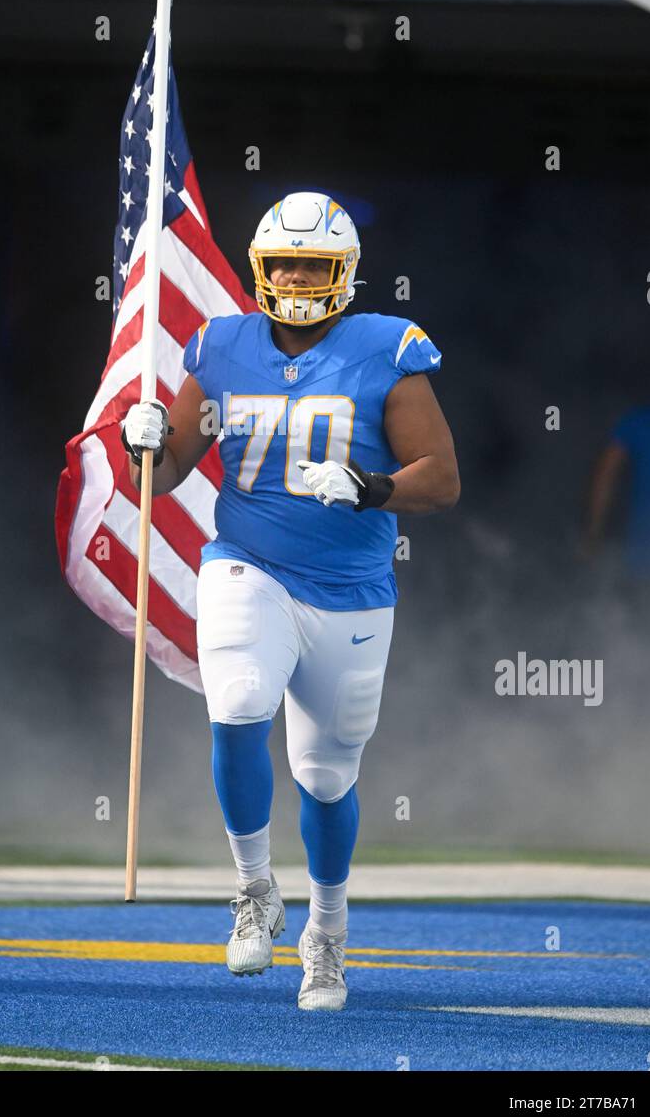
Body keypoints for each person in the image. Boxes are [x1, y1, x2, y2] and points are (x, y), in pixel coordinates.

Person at [121, 191, 460, 1010]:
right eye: (285, 264)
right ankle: (252, 888)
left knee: (327, 775)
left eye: (314, 263)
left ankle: (327, 934)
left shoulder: (388, 350)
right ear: (260, 270)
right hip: (248, 564)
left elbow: (441, 480)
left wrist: (367, 484)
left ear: (344, 271)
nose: (299, 277)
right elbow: (166, 474)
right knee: (236, 703)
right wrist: (146, 445)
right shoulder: (223, 346)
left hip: (350, 591)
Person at [581, 329, 650, 621]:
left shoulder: (639, 422)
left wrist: (593, 535)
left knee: (649, 653)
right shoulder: (636, 423)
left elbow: (605, 474)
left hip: (649, 565)